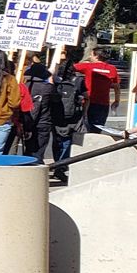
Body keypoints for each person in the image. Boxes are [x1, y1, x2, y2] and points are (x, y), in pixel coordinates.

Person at [42, 52, 90, 184]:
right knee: (67, 141)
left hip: (56, 114)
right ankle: (62, 166)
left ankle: (57, 163)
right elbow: (87, 97)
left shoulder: (54, 80)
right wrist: (84, 112)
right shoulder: (78, 80)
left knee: (56, 140)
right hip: (73, 115)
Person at [73, 47, 122, 133]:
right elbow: (116, 86)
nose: (90, 57)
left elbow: (71, 68)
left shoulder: (88, 66)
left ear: (96, 56)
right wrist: (117, 100)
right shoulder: (112, 69)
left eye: (91, 55)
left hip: (89, 103)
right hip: (104, 104)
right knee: (98, 128)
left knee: (85, 127)